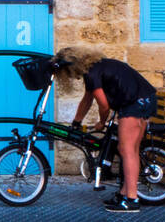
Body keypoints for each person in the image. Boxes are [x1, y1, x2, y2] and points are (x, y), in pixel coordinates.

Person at [52, 47, 157, 213]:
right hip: (144, 99)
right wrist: (76, 122)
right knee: (131, 150)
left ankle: (131, 199)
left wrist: (102, 122)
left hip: (136, 103)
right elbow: (87, 99)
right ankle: (125, 194)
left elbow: (103, 105)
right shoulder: (95, 68)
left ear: (71, 67)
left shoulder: (92, 73)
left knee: (127, 149)